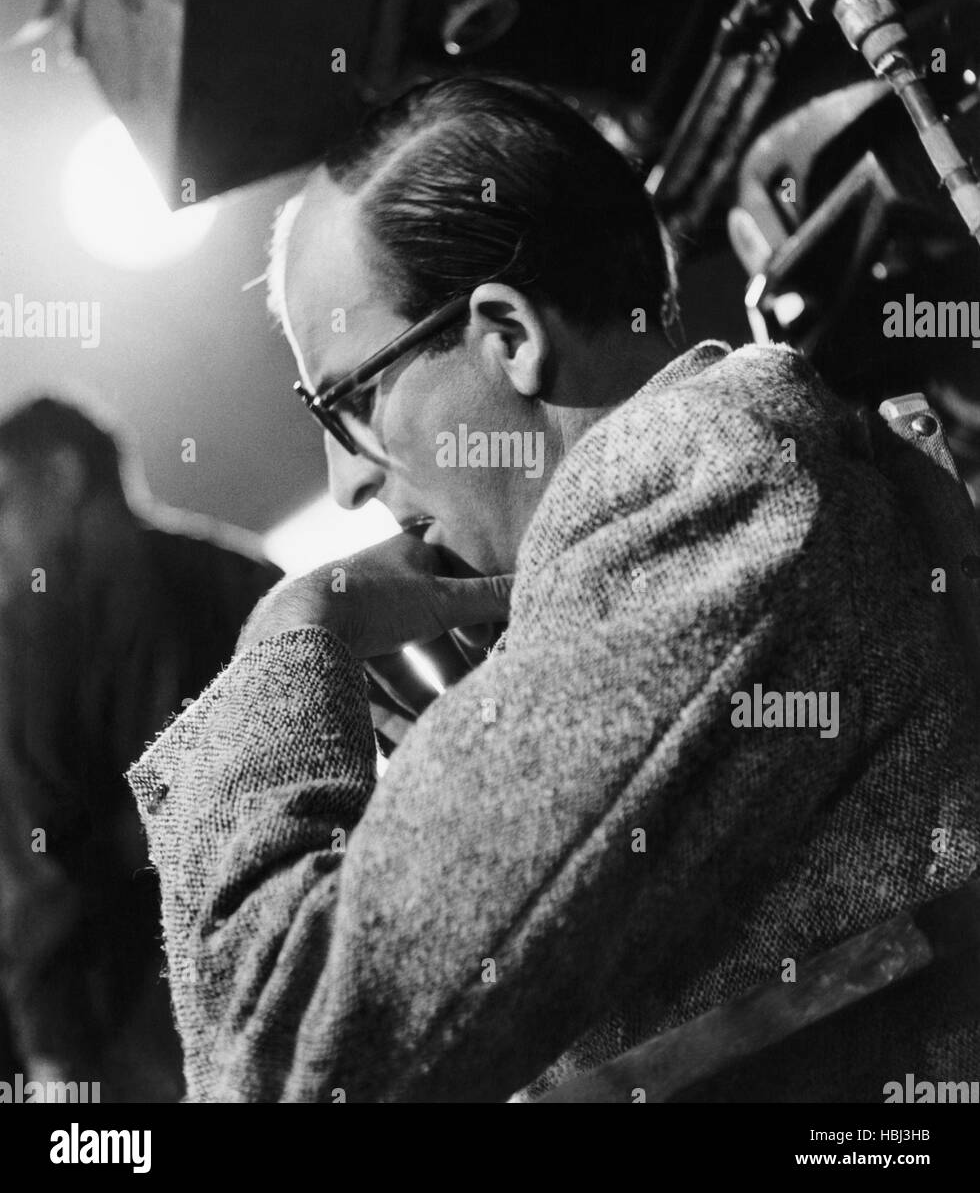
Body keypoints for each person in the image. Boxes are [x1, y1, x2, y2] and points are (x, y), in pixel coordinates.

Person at [127, 75, 979, 1103]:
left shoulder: (703, 491)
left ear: (509, 336)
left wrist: (290, 635)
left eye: (347, 403)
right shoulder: (716, 500)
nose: (346, 481)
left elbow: (282, 1053)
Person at [0, 396, 281, 1100]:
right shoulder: (253, 582)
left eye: (2, 500)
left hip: (123, 1033)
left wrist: (53, 1056)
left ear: (63, 475)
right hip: (286, 984)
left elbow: (35, 877)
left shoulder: (23, 635)